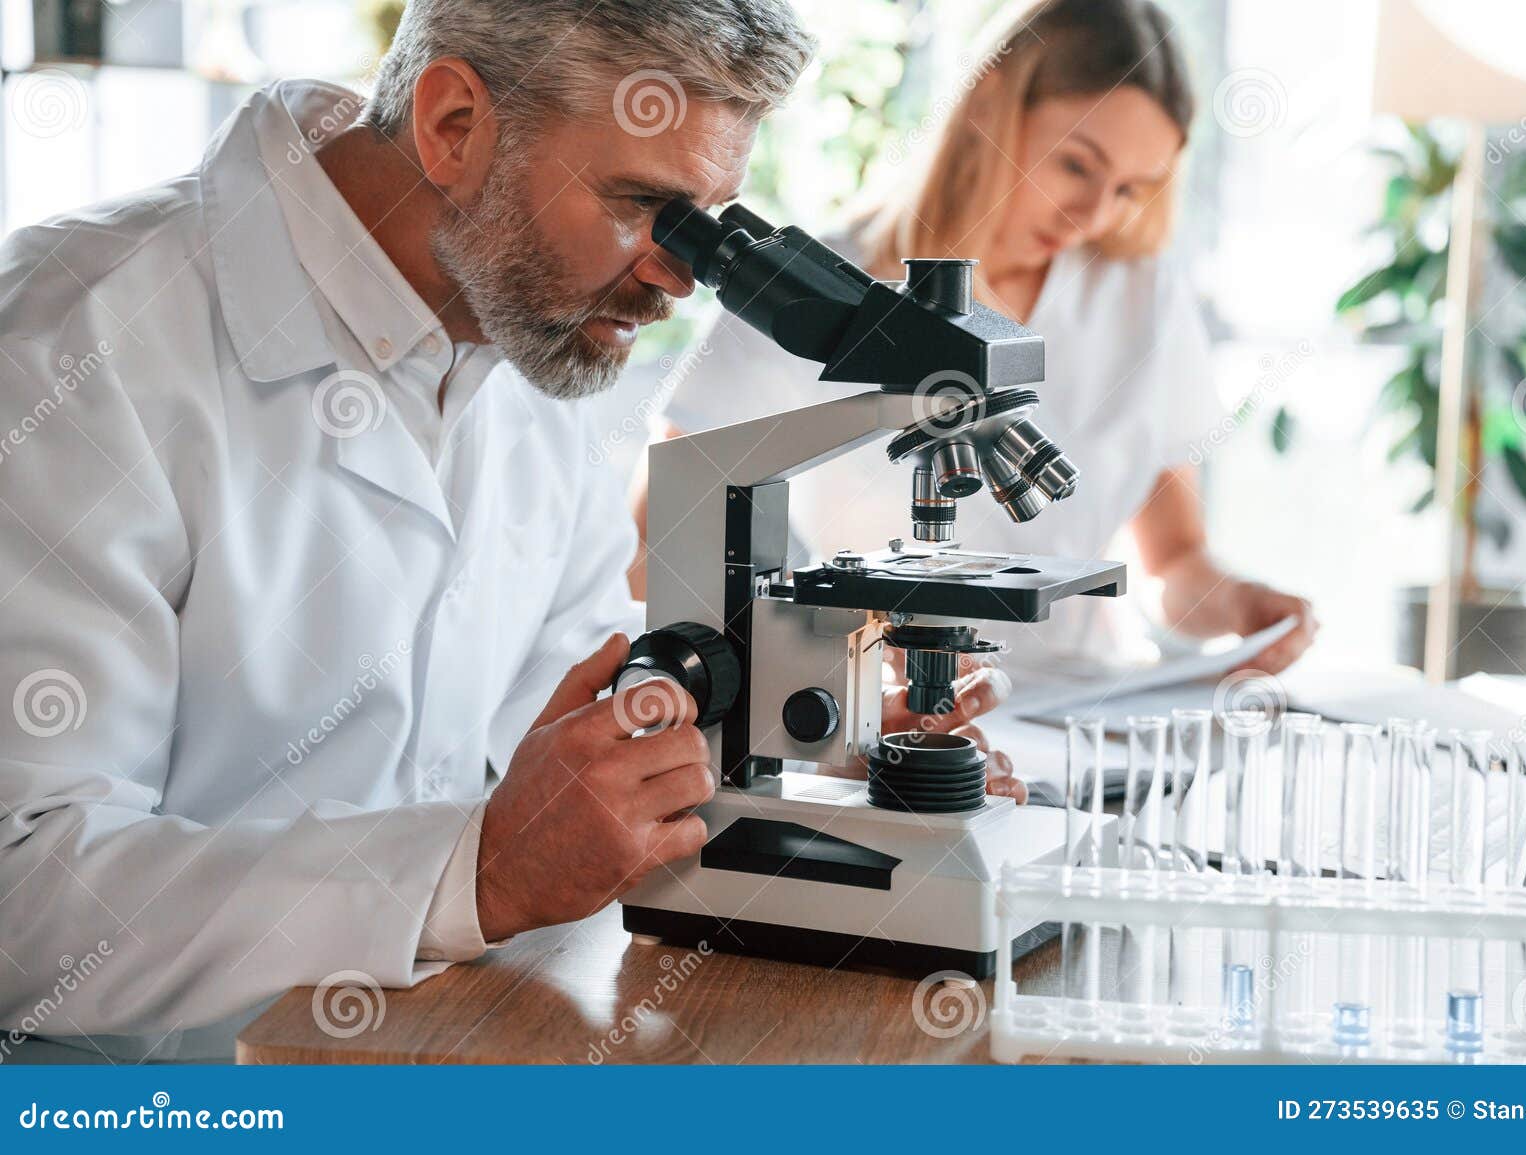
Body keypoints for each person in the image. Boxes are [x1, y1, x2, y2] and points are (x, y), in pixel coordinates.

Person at [0, 0, 1012, 1063]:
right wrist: (471, 873)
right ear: (452, 125)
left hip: (433, 1042)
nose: (676, 275)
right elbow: (26, 895)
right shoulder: (75, 342)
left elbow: (560, 694)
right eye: (642, 206)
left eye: (708, 223)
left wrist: (803, 722)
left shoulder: (525, 335)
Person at [633, 0, 1317, 679]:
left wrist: (1238, 604)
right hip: (869, 699)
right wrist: (828, 667)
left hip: (1076, 708)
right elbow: (657, 540)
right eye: (1076, 166)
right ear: (991, 104)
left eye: (1130, 189)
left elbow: (1175, 562)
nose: (1093, 214)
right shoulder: (814, 293)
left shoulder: (1142, 296)